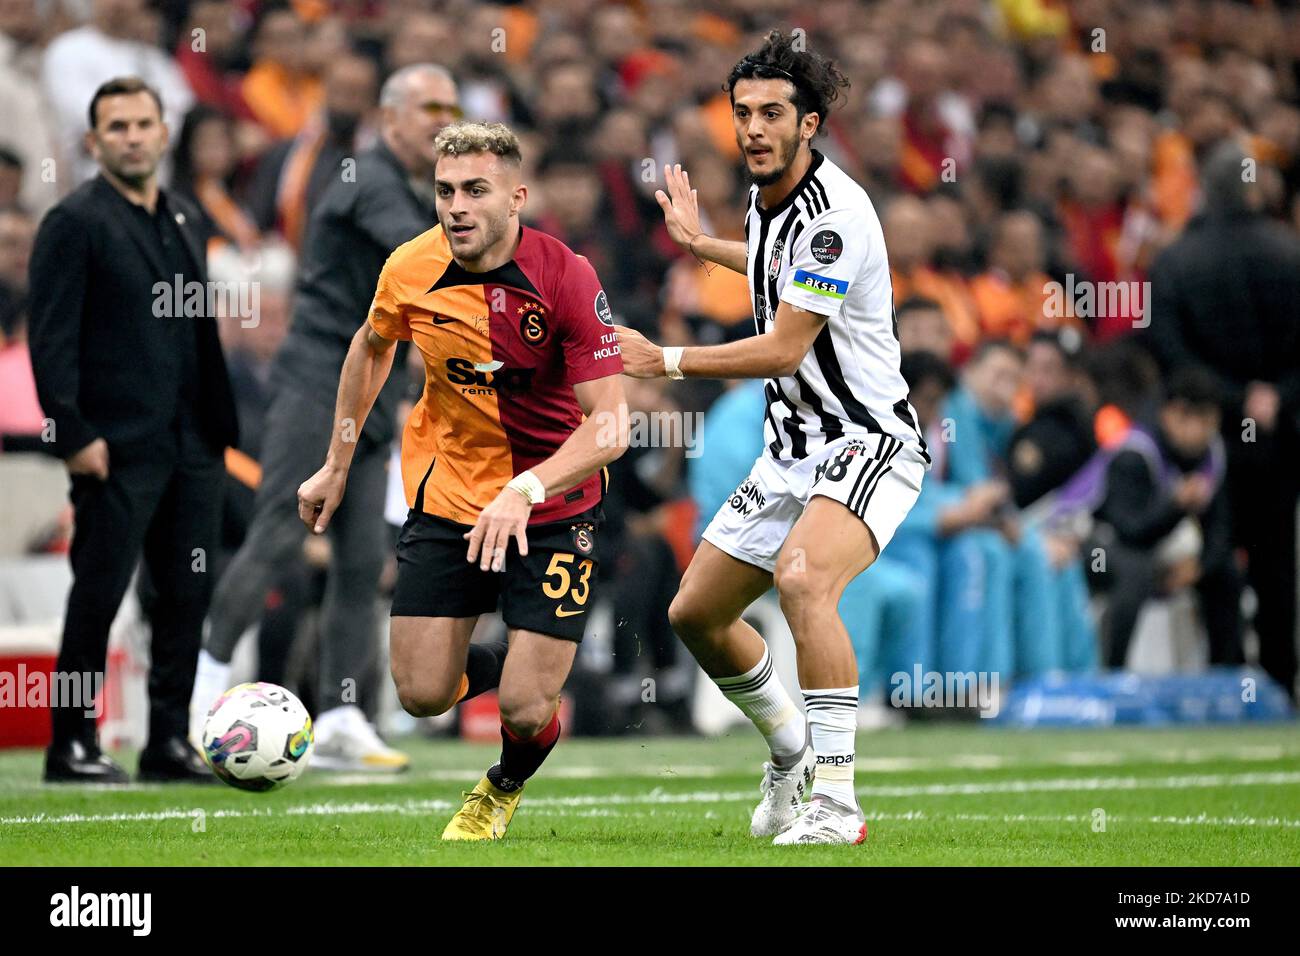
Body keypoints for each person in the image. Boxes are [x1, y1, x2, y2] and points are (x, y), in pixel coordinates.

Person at [617, 31, 930, 845]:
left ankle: (837, 804)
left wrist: (669, 361)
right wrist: (700, 245)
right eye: (742, 112)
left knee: (802, 580)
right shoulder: (767, 200)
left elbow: (786, 345)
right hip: (791, 451)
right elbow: (767, 262)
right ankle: (790, 749)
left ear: (811, 123)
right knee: (696, 614)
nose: (752, 128)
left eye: (771, 114)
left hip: (867, 441)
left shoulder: (836, 216)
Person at [296, 121, 627, 839]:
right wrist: (337, 461)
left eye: (476, 190)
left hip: (553, 506)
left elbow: (611, 427)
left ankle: (502, 782)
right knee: (420, 695)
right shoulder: (410, 268)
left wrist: (526, 489)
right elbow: (371, 345)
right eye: (444, 191)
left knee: (525, 711)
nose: (456, 207)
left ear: (516, 197)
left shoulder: (566, 275)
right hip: (449, 498)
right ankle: (528, 652)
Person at [190, 64, 461, 772]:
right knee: (280, 533)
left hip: (368, 392)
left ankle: (342, 715)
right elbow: (425, 257)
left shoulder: (402, 184)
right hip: (318, 381)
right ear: (391, 116)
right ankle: (202, 690)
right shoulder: (365, 177)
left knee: (363, 557)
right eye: (429, 106)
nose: (442, 117)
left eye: (452, 107)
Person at [28, 76, 238, 783]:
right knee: (99, 594)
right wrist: (72, 431)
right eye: (116, 126)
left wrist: (215, 429)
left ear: (163, 132)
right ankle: (71, 742)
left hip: (191, 442)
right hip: (114, 445)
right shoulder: (75, 220)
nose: (132, 136)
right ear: (93, 142)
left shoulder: (184, 215)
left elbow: (197, 331)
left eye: (143, 123)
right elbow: (49, 337)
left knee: (185, 596)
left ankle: (167, 741)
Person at [1145, 139, 1300, 701]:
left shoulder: (1176, 259)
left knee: (1213, 553)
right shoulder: (1289, 252)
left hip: (1203, 437)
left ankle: (1224, 681)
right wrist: (1273, 396)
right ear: (1256, 188)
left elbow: (1166, 346)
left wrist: (1229, 399)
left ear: (1203, 190)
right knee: (1277, 559)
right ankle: (1281, 682)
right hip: (1281, 439)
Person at [1088, 368, 1241, 668]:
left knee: (1225, 573)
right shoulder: (1133, 451)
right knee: (1135, 572)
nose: (1204, 430)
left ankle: (1225, 676)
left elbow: (1222, 530)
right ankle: (1113, 672)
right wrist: (1174, 505)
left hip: (1165, 550)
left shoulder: (1212, 457)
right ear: (1171, 414)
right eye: (1195, 418)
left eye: (1211, 421)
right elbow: (1128, 529)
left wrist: (1199, 567)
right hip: (1099, 544)